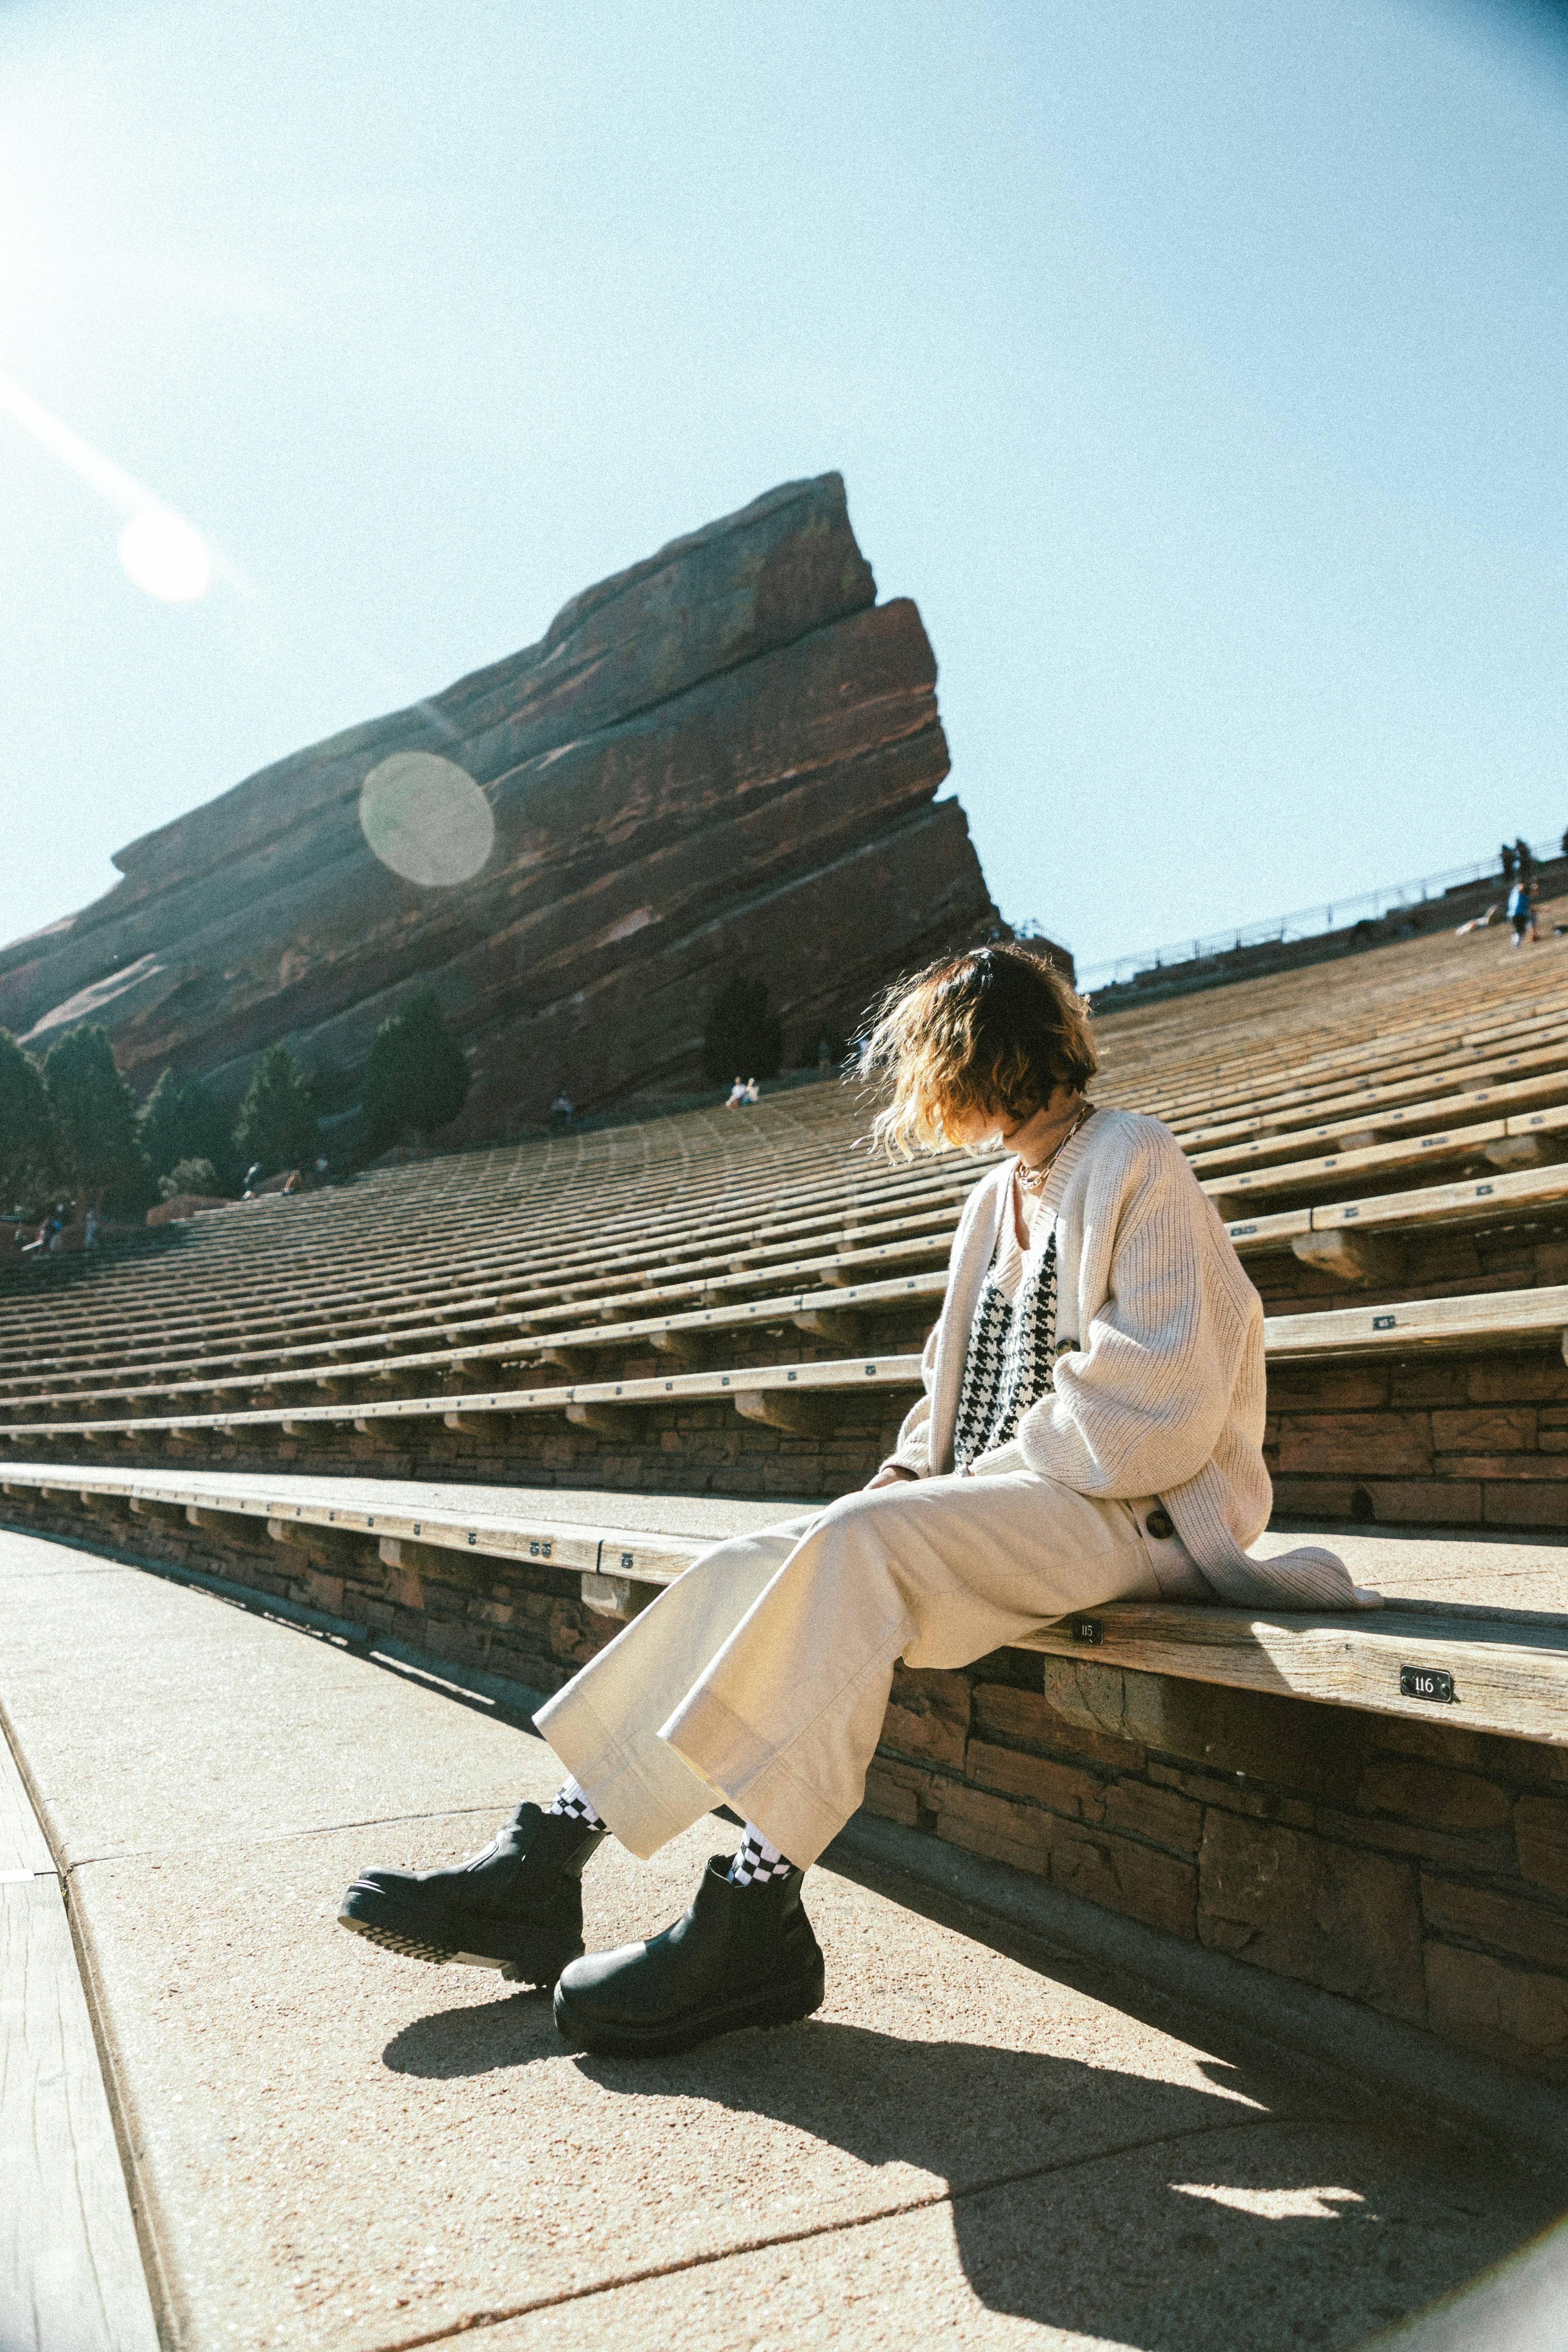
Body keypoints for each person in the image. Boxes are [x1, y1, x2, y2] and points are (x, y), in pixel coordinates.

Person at [338, 944, 1378, 2057]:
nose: (920, 1092)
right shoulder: (996, 1194)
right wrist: (906, 1482)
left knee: (861, 1548)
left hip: (1138, 1514)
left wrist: (960, 1486)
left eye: (931, 1064)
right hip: (1018, 1511)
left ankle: (756, 1907)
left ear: (981, 1059)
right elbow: (948, 1388)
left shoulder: (1133, 1156)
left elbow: (1161, 1392)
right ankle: (546, 1858)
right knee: (753, 1566)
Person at [1508, 876, 1533, 946]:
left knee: (1518, 930)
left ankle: (1515, 945)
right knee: (1521, 931)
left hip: (1512, 914)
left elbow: (1529, 907)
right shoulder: (1521, 889)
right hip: (1519, 913)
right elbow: (1522, 888)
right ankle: (1516, 945)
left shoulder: (1515, 891)